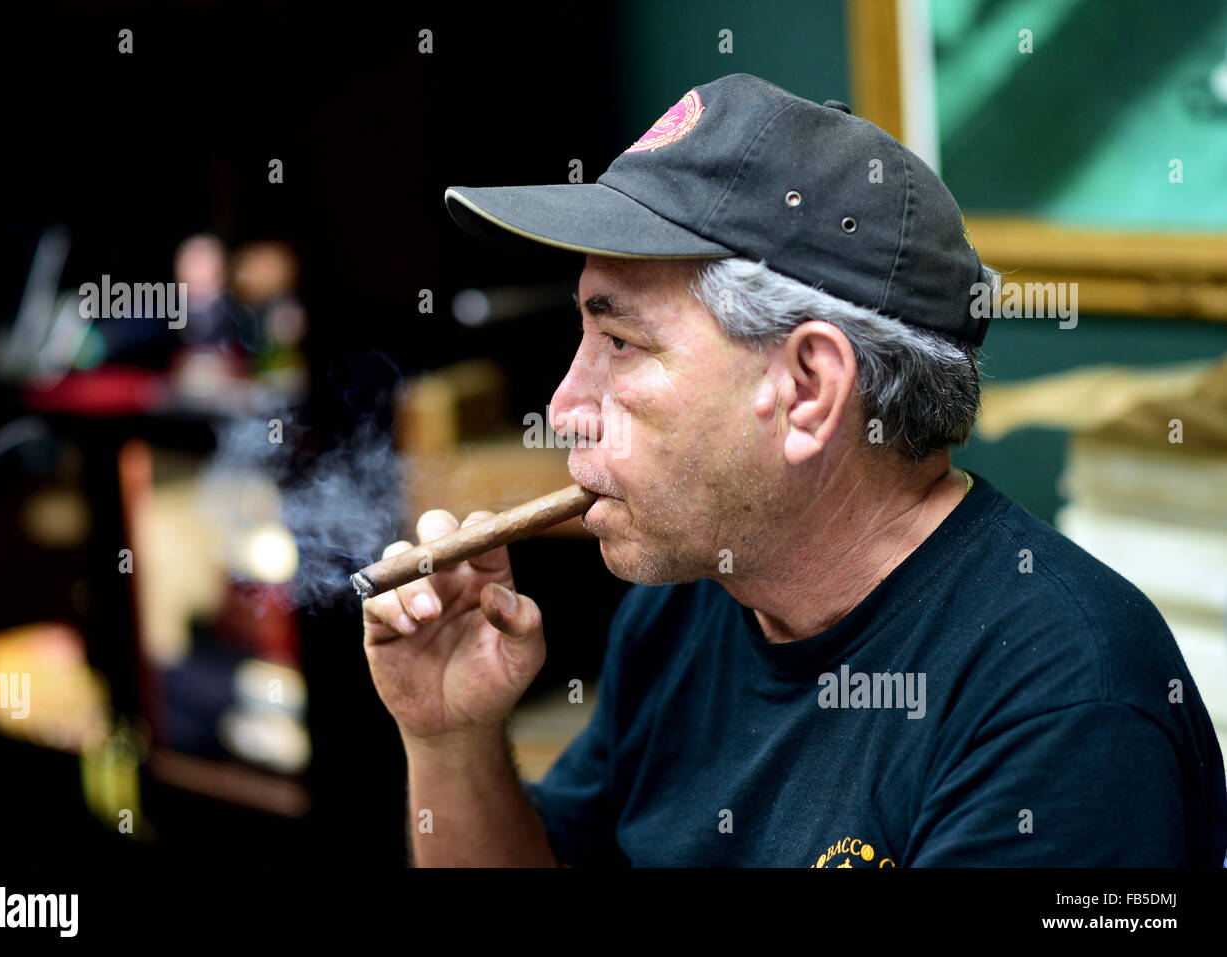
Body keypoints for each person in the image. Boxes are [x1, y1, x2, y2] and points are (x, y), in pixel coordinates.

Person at [361, 73, 1227, 866]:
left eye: (620, 342)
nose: (563, 407)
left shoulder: (1067, 709)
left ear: (809, 388)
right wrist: (449, 740)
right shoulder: (683, 608)